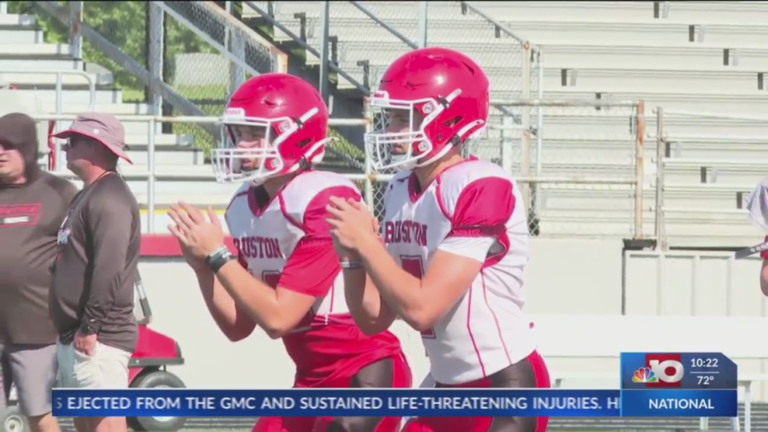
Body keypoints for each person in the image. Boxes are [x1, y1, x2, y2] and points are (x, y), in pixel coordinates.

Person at [166, 73, 412, 432]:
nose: (242, 146)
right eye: (240, 134)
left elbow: (279, 318)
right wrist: (204, 269)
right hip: (310, 378)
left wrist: (219, 256)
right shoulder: (243, 206)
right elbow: (238, 325)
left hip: (364, 368)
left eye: (255, 135)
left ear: (294, 135)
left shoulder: (324, 199)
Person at [325, 47, 552, 432]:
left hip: (502, 388)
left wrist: (367, 244)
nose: (392, 130)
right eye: (391, 117)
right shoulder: (400, 188)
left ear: (449, 117)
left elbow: (422, 309)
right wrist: (351, 260)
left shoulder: (481, 183)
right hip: (442, 386)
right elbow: (373, 319)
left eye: (405, 117)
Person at [48, 113, 140, 432]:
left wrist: (90, 326)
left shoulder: (110, 197)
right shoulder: (89, 194)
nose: (65, 149)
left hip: (98, 339)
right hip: (80, 336)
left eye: (72, 142)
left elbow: (109, 267)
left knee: (104, 424)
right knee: (86, 424)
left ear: (98, 147)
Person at [0, 112, 77, 432]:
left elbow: (83, 257)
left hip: (36, 331)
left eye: (8, 145)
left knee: (40, 416)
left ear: (29, 149)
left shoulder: (59, 193)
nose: (0, 153)